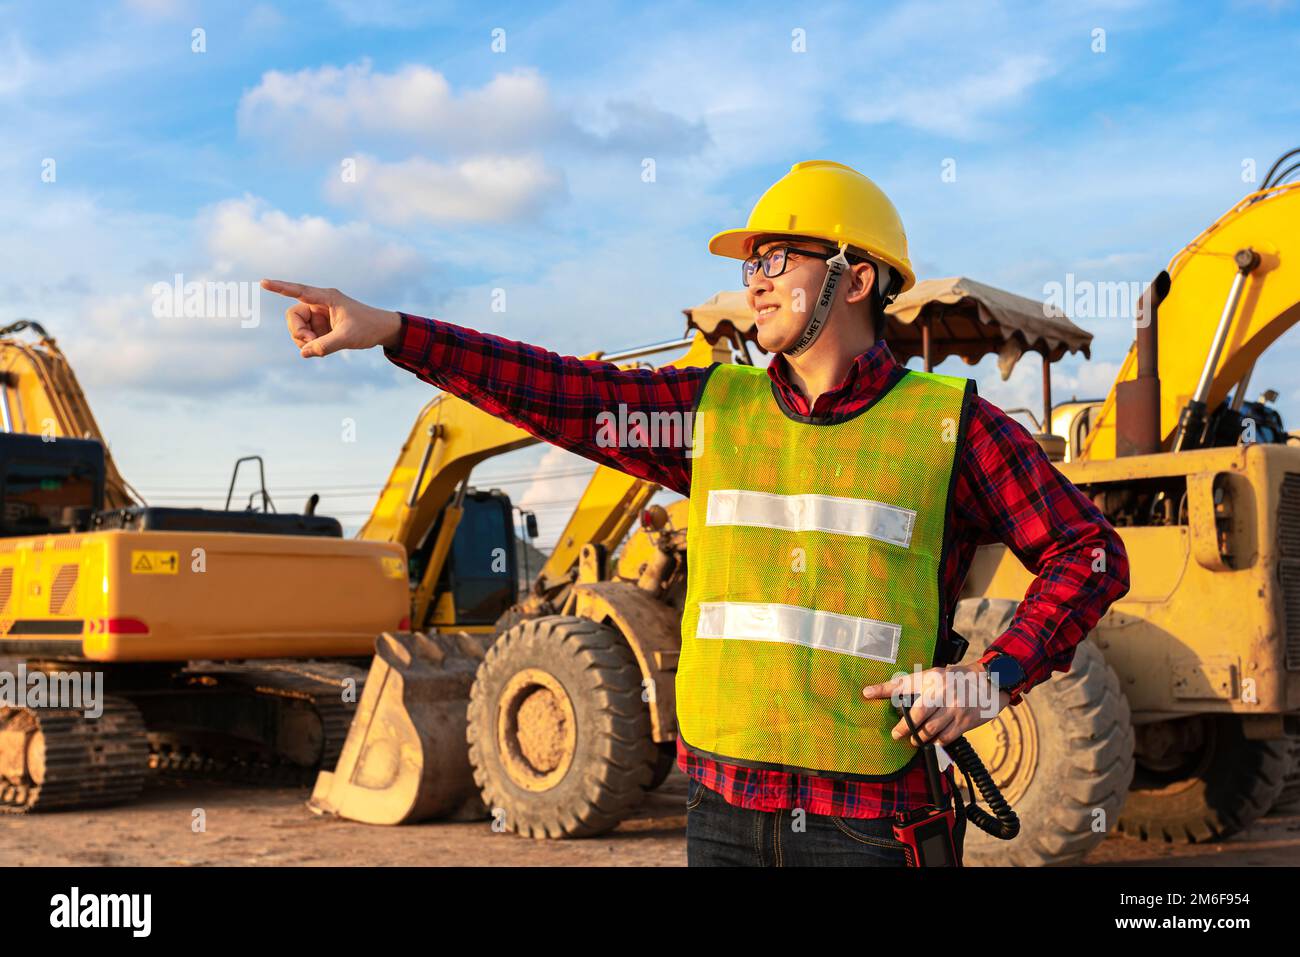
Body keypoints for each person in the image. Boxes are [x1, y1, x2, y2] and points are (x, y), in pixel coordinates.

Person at [263, 159, 1130, 867]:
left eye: (773, 260)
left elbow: (1089, 552)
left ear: (854, 276)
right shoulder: (708, 411)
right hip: (723, 813)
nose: (751, 284)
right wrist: (393, 331)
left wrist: (992, 677)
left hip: (872, 818)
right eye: (746, 265)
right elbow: (566, 393)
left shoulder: (950, 427)